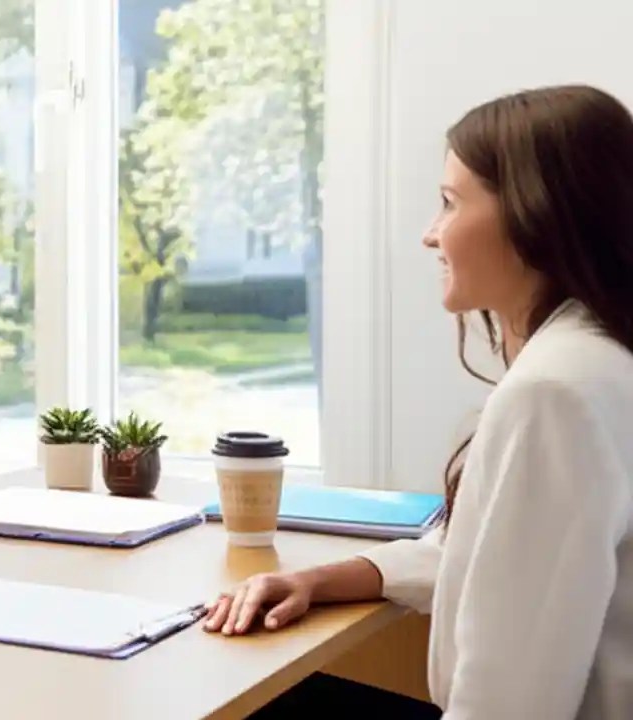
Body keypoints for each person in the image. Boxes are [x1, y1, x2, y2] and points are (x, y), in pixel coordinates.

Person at [205, 84, 633, 719]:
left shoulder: (553, 393)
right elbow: (506, 566)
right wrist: (320, 579)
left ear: (534, 214)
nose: (432, 235)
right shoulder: (599, 359)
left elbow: (509, 704)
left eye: (449, 204)